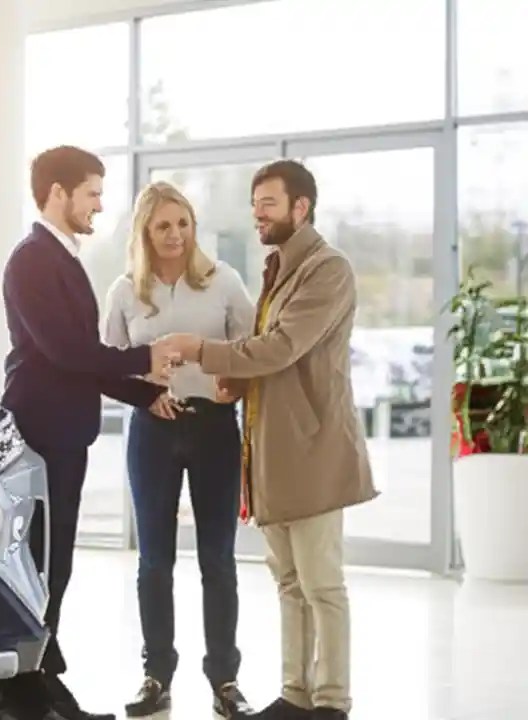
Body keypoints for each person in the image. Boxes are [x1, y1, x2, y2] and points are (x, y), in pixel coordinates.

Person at [158, 159, 379, 720]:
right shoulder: (279, 268)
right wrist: (237, 377)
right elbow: (271, 355)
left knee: (321, 584)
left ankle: (331, 701)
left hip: (314, 452)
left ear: (301, 208)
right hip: (273, 451)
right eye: (255, 202)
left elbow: (281, 347)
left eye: (269, 203)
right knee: (287, 581)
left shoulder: (328, 269)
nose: (257, 212)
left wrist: (200, 350)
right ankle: (295, 694)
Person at [0, 145, 181, 720]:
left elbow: (76, 361)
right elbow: (65, 351)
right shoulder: (32, 259)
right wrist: (146, 358)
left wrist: (145, 394)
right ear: (58, 192)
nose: (101, 205)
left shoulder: (62, 256)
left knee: (55, 565)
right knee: (41, 563)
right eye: (93, 193)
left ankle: (39, 687)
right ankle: (26, 696)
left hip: (63, 432)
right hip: (42, 431)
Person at [101, 181, 256, 719]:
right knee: (154, 563)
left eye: (183, 223)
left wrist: (235, 385)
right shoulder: (125, 292)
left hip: (214, 427)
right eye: (163, 225)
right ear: (145, 231)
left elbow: (252, 350)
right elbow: (109, 367)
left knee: (218, 559)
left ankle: (225, 680)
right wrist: (146, 396)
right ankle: (156, 675)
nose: (175, 234)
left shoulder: (224, 281)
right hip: (152, 432)